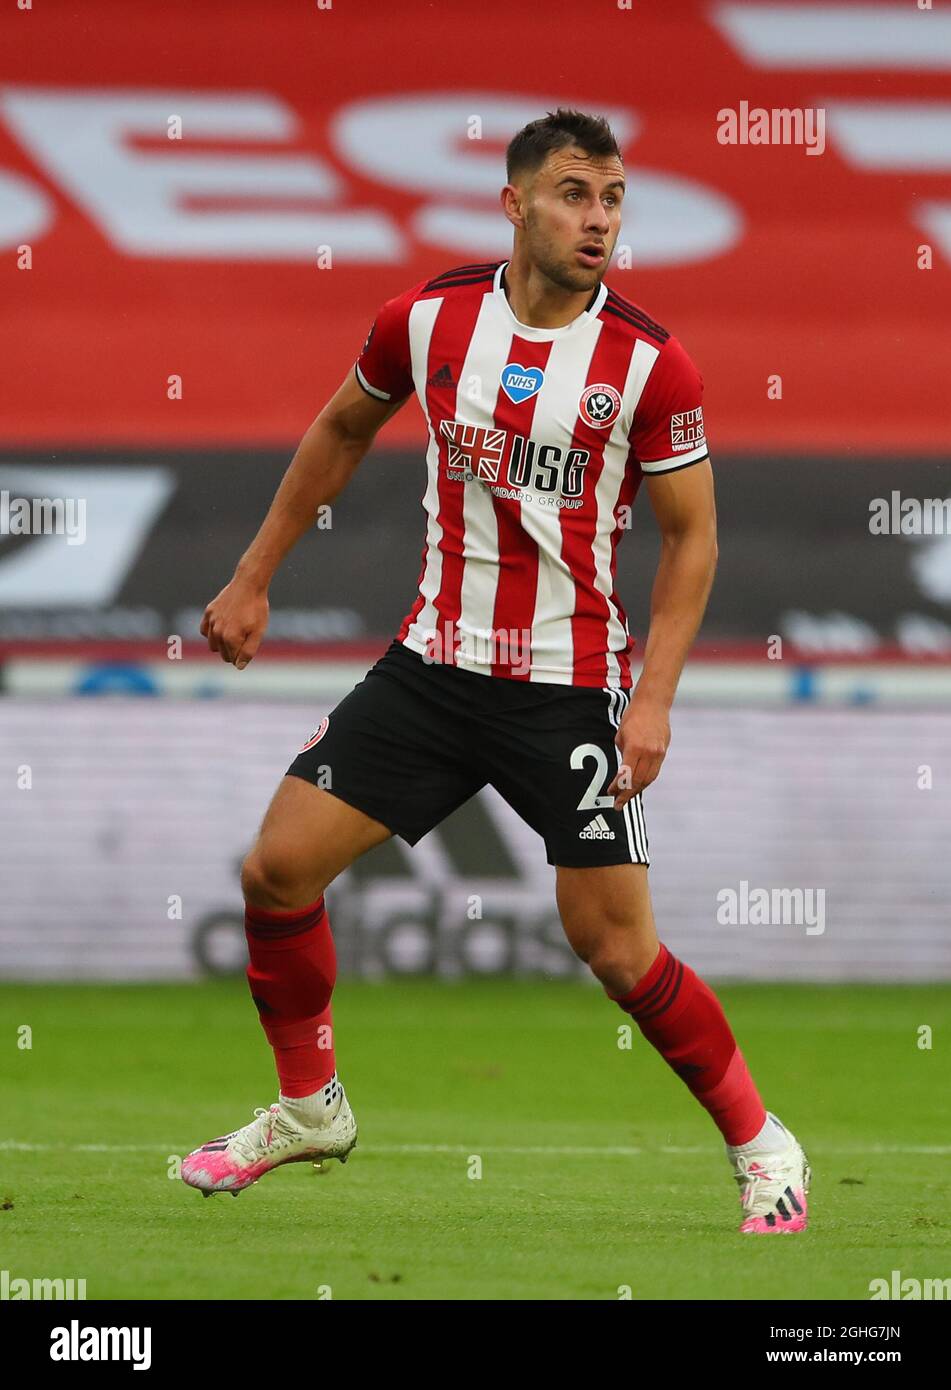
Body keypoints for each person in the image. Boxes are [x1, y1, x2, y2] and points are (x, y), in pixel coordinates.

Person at [182, 109, 809, 1234]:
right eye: (576, 193)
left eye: (614, 198)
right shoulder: (426, 321)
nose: (599, 220)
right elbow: (339, 429)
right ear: (514, 202)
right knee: (277, 869)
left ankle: (764, 1146)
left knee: (615, 948)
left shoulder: (652, 366)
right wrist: (253, 575)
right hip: (432, 668)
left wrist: (652, 697)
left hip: (568, 687)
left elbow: (694, 538)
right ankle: (308, 1103)